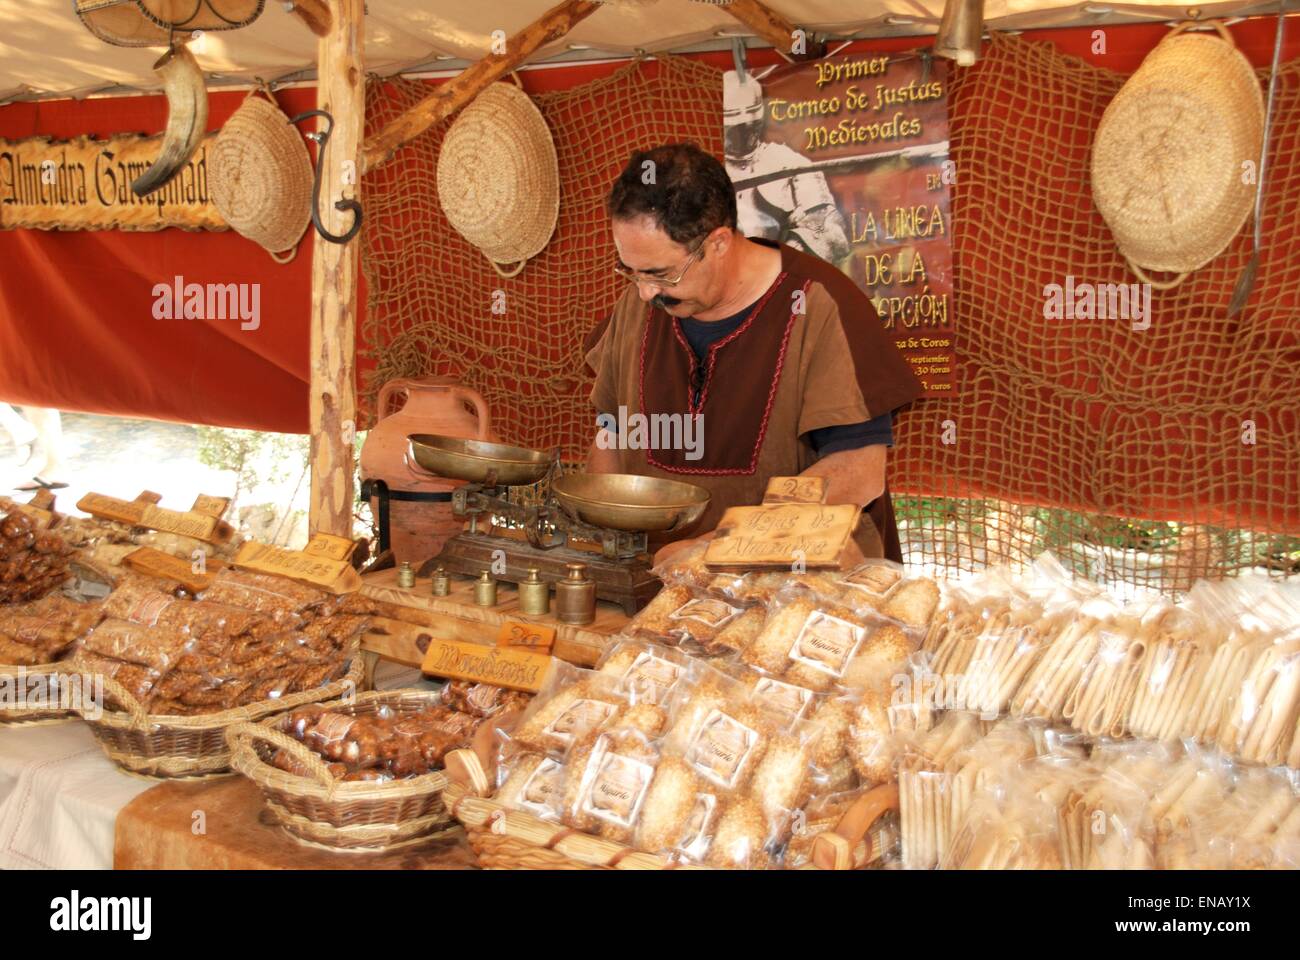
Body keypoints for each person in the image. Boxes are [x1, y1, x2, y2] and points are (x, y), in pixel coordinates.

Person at [584, 143, 923, 565]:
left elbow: (857, 473)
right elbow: (611, 437)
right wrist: (605, 543)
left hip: (794, 591)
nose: (644, 291)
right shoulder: (638, 306)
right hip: (657, 582)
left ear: (720, 243)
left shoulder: (818, 305)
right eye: (628, 270)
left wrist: (714, 549)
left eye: (661, 273)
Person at [724, 71, 851, 264]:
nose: (744, 127)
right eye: (734, 120)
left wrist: (779, 264)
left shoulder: (790, 164)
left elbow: (830, 233)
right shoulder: (702, 173)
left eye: (750, 117)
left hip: (781, 281)